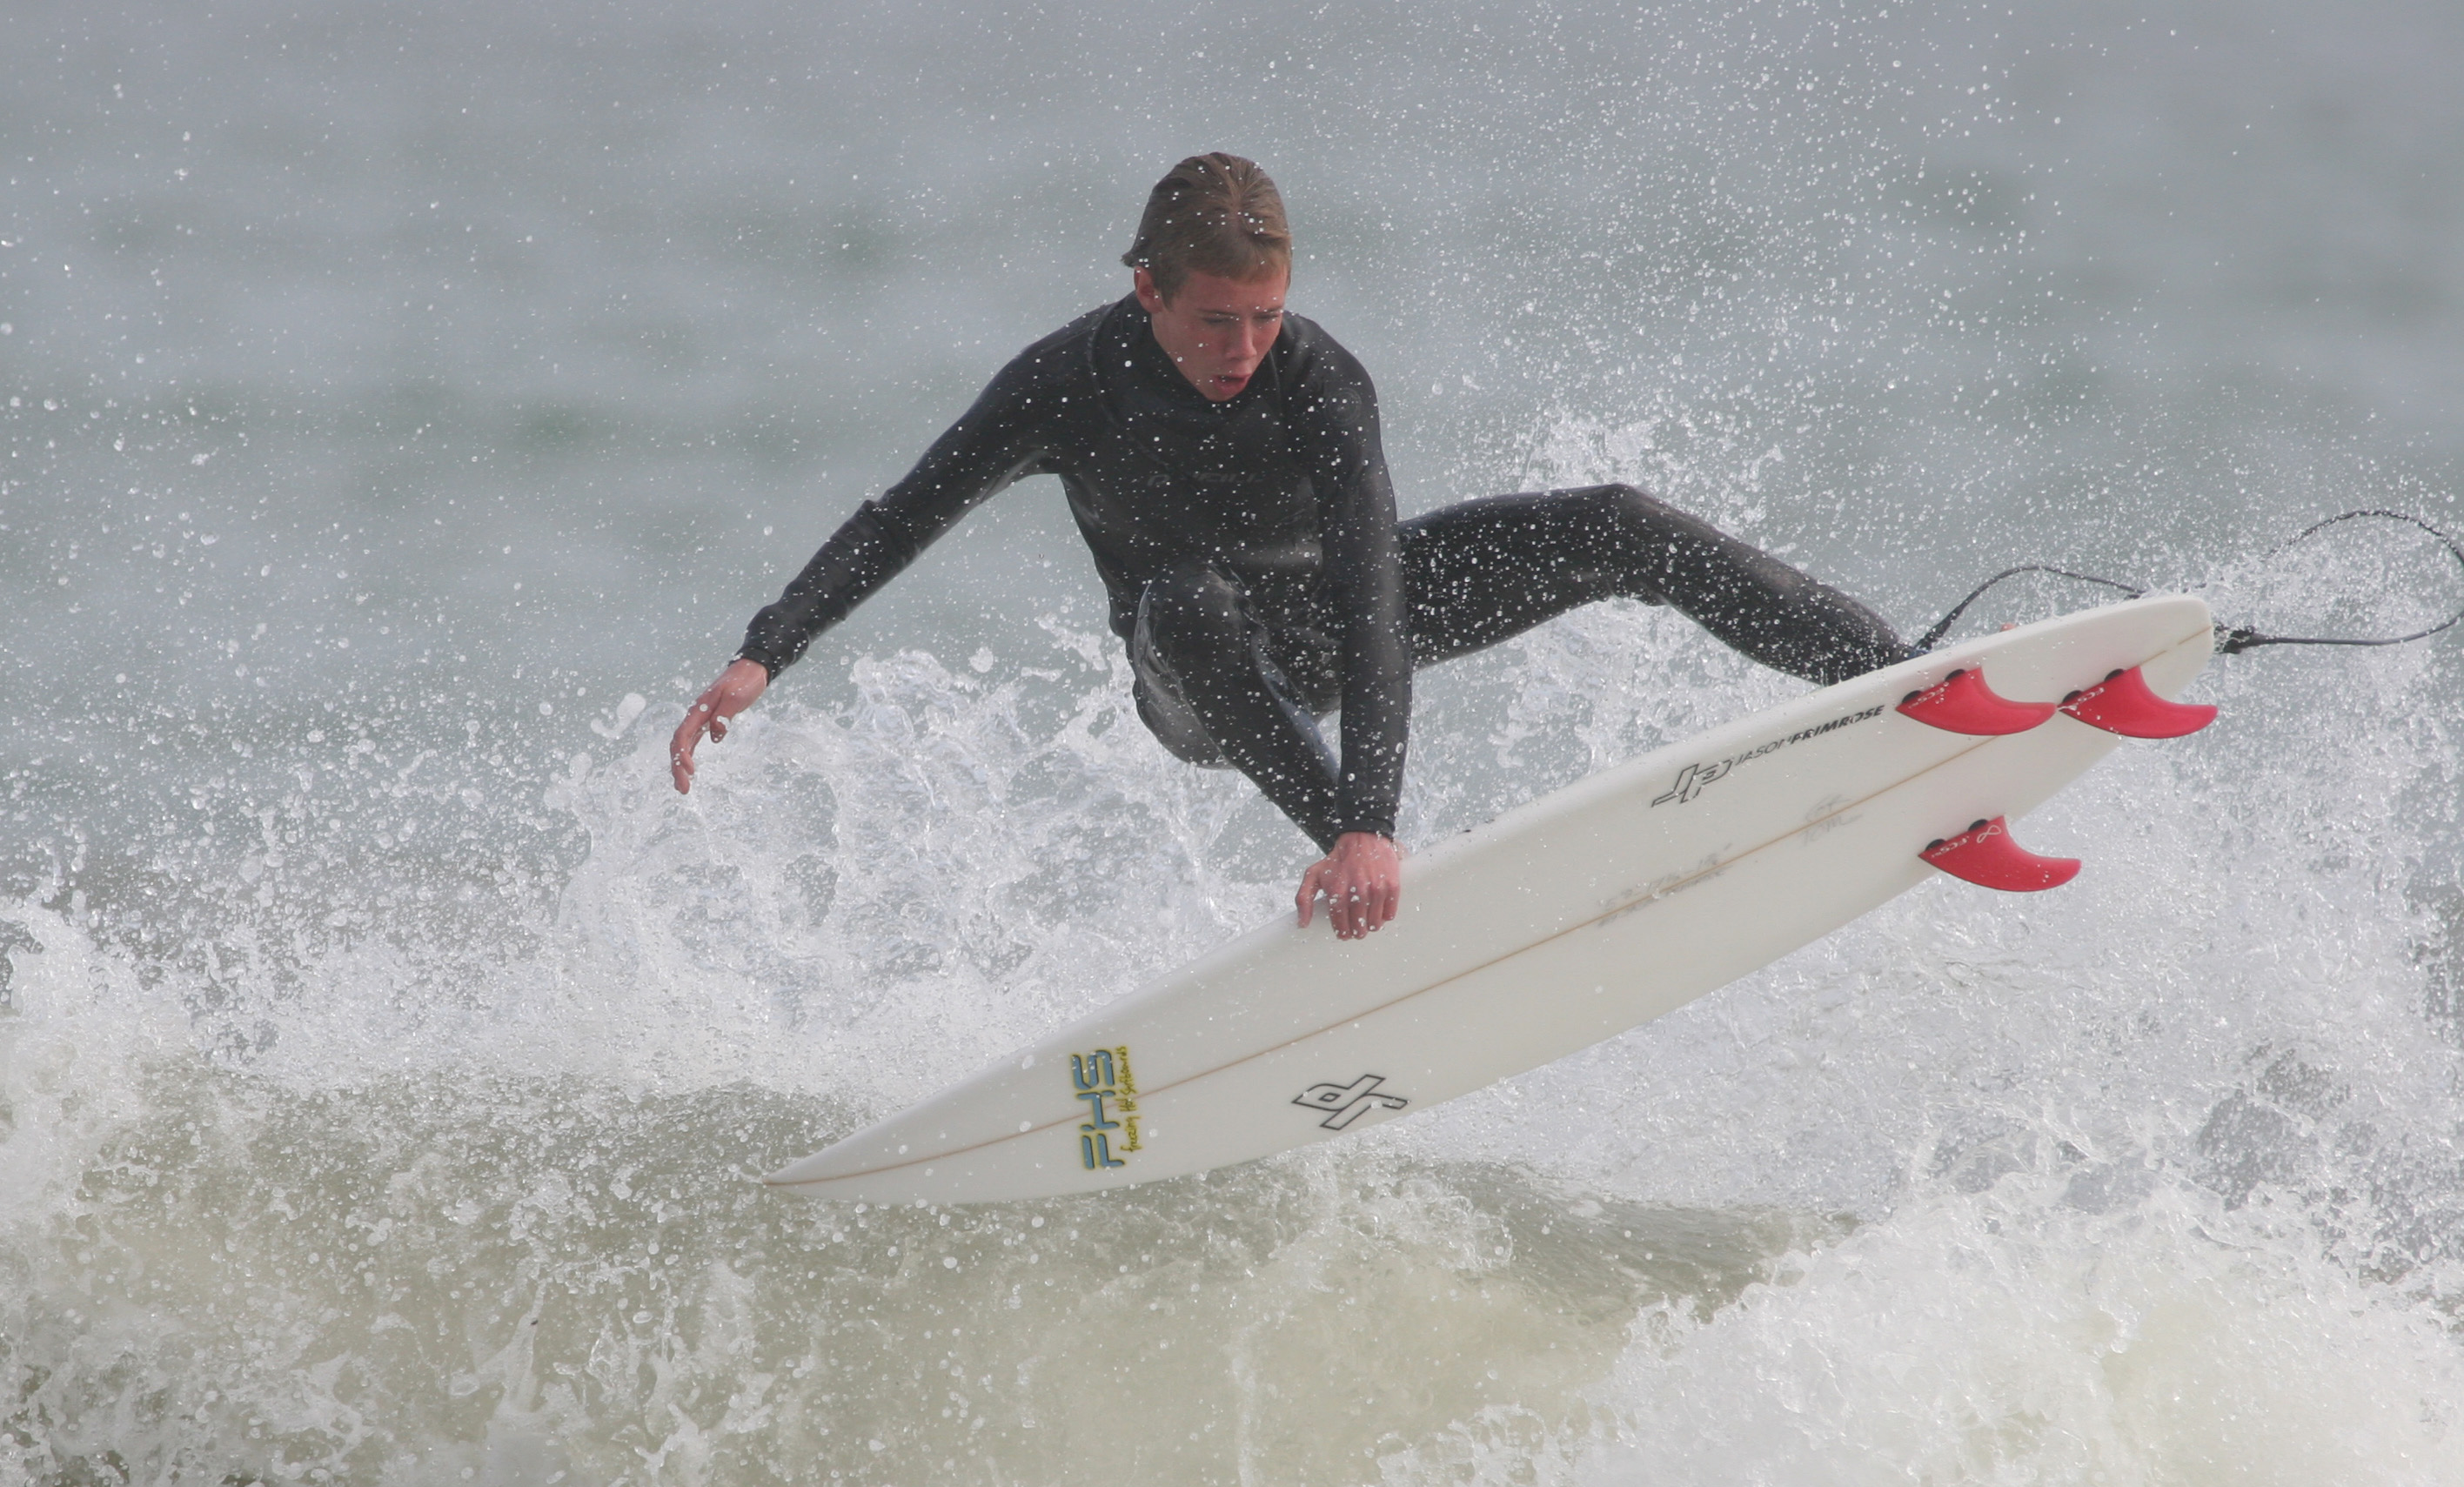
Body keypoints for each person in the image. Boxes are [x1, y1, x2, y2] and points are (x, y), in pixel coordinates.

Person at [670, 153, 1908, 940]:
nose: (1245, 349)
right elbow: (906, 513)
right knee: (1194, 597)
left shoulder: (1319, 382)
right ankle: (1361, 871)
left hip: (1323, 622)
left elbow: (1375, 587)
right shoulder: (1063, 386)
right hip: (1188, 674)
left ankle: (1902, 677)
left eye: (1267, 317)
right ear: (1147, 288)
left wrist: (1375, 803)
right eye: (1217, 321)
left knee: (1619, 523)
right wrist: (765, 652)